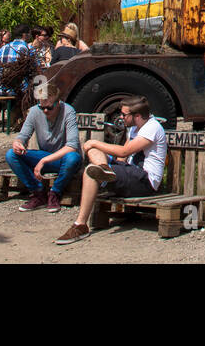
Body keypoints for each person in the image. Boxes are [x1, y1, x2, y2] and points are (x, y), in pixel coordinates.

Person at [56, 95, 168, 244]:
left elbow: (124, 152)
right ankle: (104, 170)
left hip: (145, 180)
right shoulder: (135, 128)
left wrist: (95, 142)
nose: (121, 117)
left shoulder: (152, 128)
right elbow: (122, 158)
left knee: (91, 171)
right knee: (93, 152)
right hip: (130, 172)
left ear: (138, 116)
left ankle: (80, 225)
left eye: (124, 114)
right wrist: (108, 160)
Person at [6, 83, 82, 212]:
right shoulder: (35, 111)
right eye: (42, 107)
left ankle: (55, 193)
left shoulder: (68, 111)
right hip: (44, 156)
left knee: (73, 158)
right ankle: (37, 192)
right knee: (11, 154)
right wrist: (18, 143)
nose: (45, 111)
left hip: (61, 158)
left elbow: (72, 146)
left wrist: (44, 161)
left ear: (58, 103)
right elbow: (23, 135)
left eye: (49, 107)